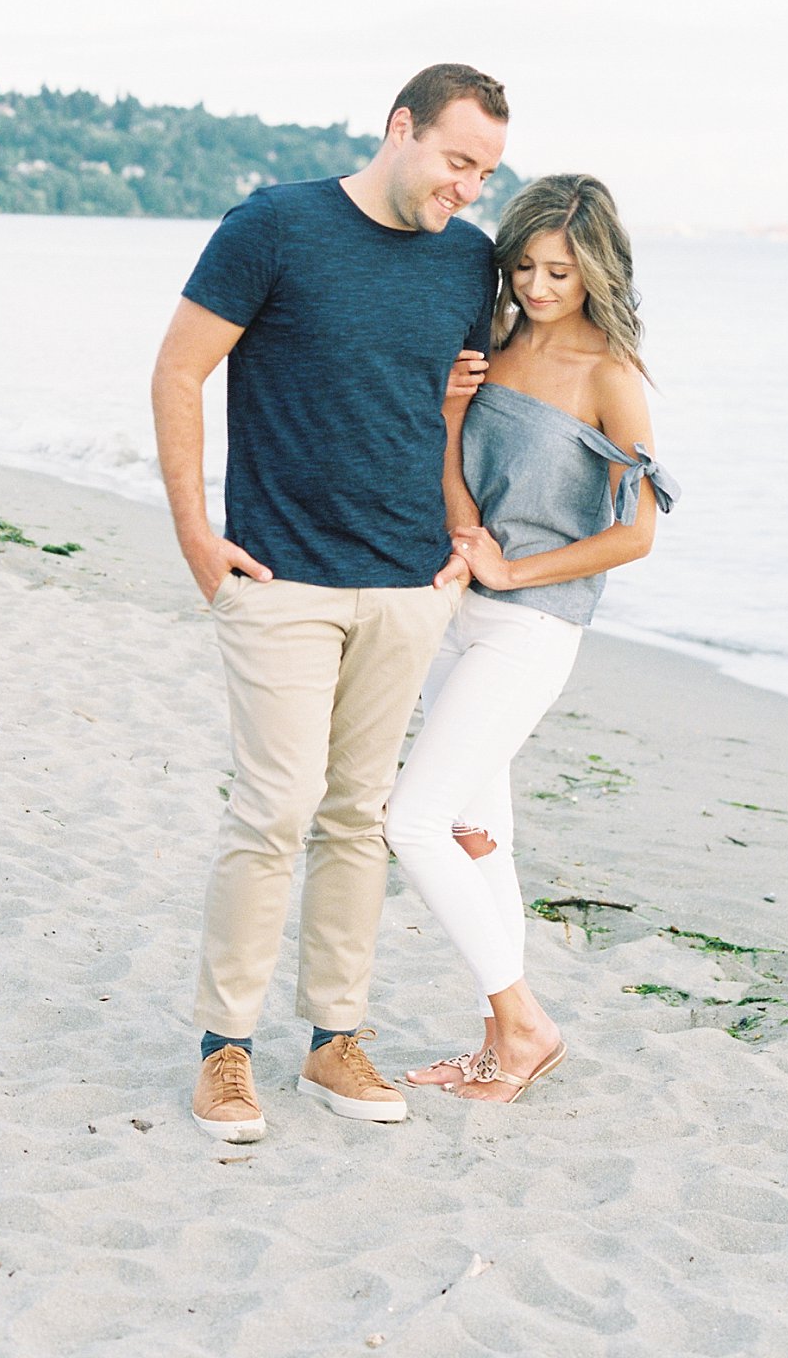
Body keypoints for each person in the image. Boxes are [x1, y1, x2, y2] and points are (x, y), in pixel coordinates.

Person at [151, 64, 508, 1143]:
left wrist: (459, 537)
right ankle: (224, 1049)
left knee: (357, 818)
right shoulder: (274, 225)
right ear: (398, 128)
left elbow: (454, 404)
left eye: (484, 171)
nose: (466, 187)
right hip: (279, 580)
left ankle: (333, 1039)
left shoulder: (471, 261)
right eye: (455, 159)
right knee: (271, 811)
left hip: (404, 586)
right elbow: (177, 373)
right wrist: (195, 541)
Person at [383, 173, 677, 1103]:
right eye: (525, 266)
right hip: (457, 616)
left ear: (596, 270)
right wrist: (450, 421)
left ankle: (525, 1023)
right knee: (477, 836)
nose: (538, 286)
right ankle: (495, 1046)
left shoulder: (611, 378)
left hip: (534, 628)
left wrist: (513, 573)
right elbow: (464, 500)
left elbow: (635, 535)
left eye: (560, 270)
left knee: (412, 821)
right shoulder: (495, 344)